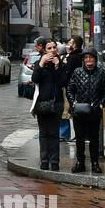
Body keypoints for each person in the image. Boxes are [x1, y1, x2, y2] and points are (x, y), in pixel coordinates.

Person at [67, 48, 105, 174]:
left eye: (91, 57)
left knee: (94, 139)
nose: (88, 60)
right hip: (79, 110)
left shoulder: (101, 73)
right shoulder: (77, 72)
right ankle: (80, 162)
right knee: (79, 139)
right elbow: (70, 89)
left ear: (95, 59)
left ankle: (95, 163)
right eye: (86, 58)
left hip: (95, 111)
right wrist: (73, 103)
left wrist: (102, 104)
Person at [32, 43, 67, 171]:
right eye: (49, 48)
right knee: (43, 133)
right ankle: (44, 161)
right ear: (45, 50)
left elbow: (63, 82)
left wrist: (58, 65)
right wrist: (41, 63)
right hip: (42, 103)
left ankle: (54, 162)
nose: (52, 50)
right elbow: (35, 78)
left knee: (54, 133)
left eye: (54, 48)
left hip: (56, 103)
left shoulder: (61, 64)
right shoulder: (39, 63)